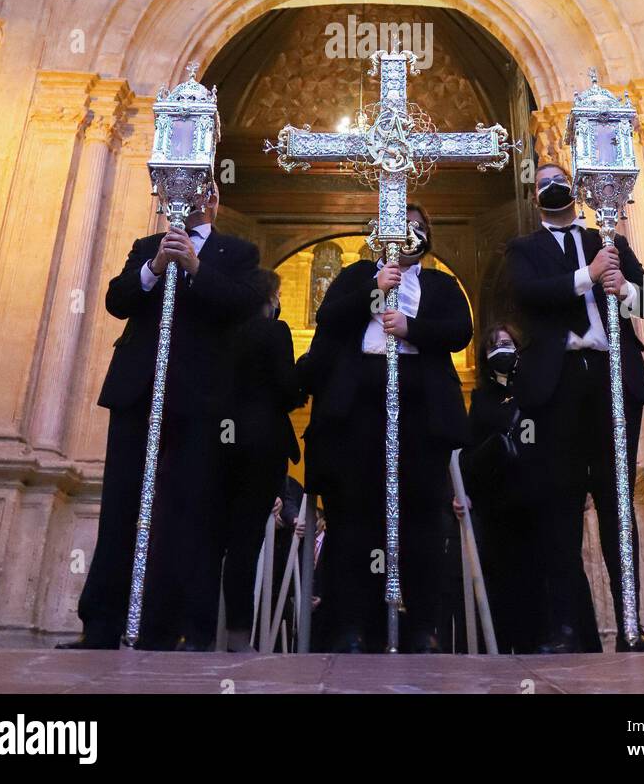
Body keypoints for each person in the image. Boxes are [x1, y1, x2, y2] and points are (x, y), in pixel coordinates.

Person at [62, 183, 262, 650]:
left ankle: (170, 627)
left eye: (198, 192)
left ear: (211, 198)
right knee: (121, 509)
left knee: (187, 512)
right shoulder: (146, 247)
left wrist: (195, 269)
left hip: (198, 401)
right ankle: (102, 624)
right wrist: (154, 269)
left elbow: (242, 304)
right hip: (138, 392)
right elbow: (117, 300)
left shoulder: (238, 251)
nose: (188, 200)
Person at [505, 160, 644, 653]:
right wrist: (586, 276)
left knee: (618, 501)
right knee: (562, 505)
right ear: (536, 196)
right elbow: (527, 296)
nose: (553, 188)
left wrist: (625, 290)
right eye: (544, 182)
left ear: (576, 190)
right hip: (558, 386)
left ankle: (631, 625)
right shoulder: (524, 249)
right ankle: (568, 628)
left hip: (612, 379)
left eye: (560, 181)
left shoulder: (608, 240)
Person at [300, 202, 471, 652]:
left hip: (421, 407)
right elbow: (330, 319)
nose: (407, 235)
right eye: (399, 227)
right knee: (354, 517)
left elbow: (459, 331)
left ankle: (421, 627)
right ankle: (353, 625)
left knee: (421, 520)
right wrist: (375, 292)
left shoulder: (440, 284)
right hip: (359, 403)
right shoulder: (357, 276)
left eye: (417, 228)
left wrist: (411, 327)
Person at [221, 269, 300, 652]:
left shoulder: (221, 332)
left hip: (221, 440)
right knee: (246, 541)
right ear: (270, 298)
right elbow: (286, 387)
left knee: (211, 539)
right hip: (262, 444)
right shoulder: (275, 331)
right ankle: (238, 635)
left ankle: (197, 631)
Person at [460, 324, 546, 652]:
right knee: (500, 575)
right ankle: (503, 648)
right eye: (494, 345)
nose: (502, 349)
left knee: (534, 572)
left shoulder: (533, 389)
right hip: (494, 501)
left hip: (531, 496)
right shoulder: (481, 398)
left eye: (508, 343)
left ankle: (537, 644)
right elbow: (469, 450)